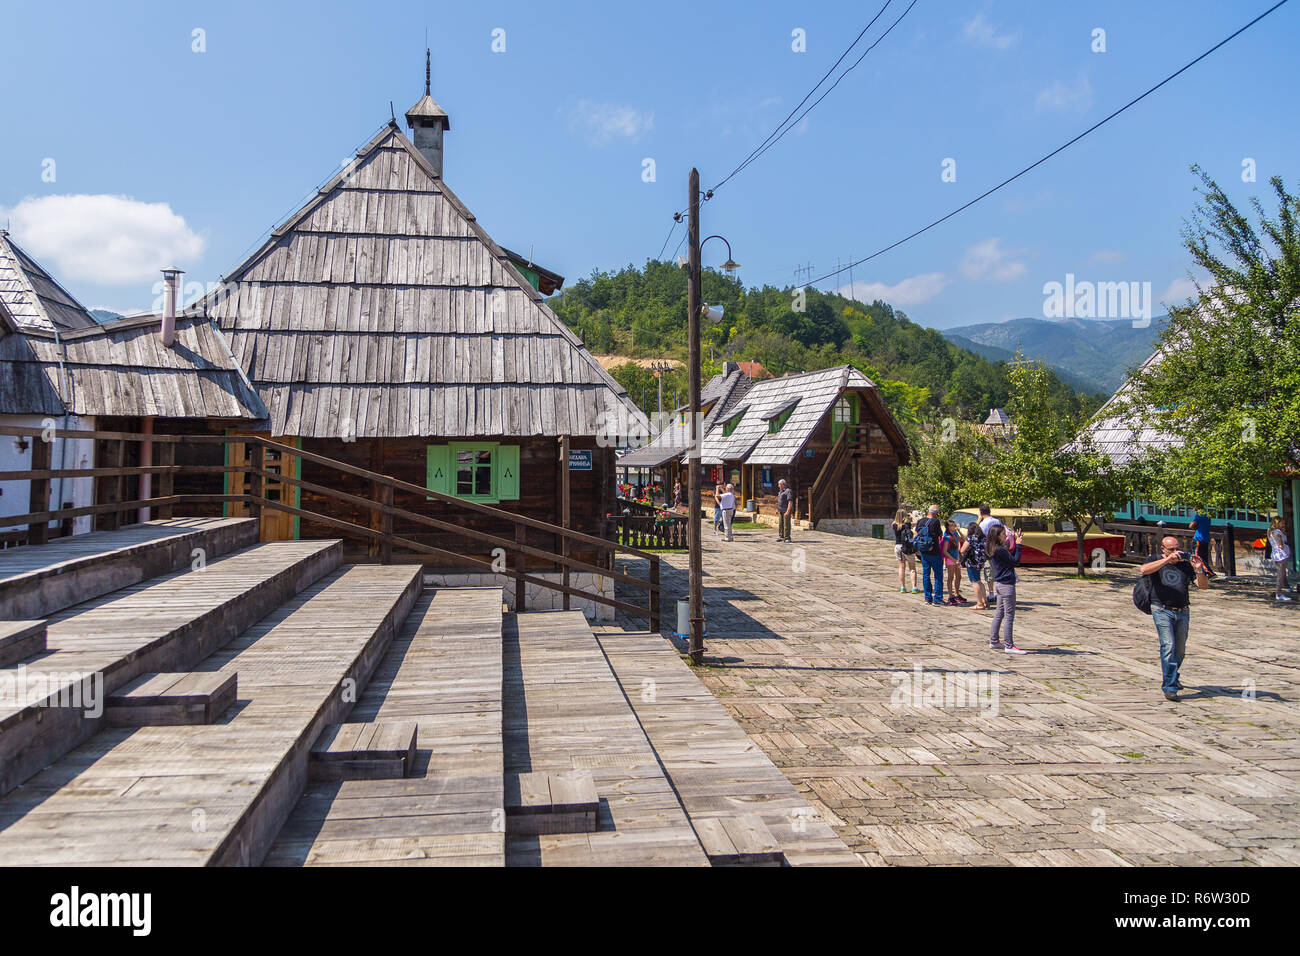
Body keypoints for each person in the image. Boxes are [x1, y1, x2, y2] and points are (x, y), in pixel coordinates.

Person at [1140, 536, 1210, 700]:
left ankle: (1173, 675)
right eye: (1171, 549)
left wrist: (1199, 569)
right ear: (1163, 549)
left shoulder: (1185, 565)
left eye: (1177, 548)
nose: (1175, 552)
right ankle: (1169, 687)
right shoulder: (1155, 560)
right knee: (1168, 645)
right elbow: (1144, 570)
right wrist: (1166, 561)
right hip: (1161, 609)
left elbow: (1204, 587)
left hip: (1183, 610)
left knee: (1180, 649)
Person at [987, 525, 1026, 653]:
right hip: (1007, 585)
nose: (1006, 536)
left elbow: (1010, 559)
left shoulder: (995, 548)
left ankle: (994, 641)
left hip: (1000, 583)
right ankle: (1009, 645)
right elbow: (1015, 561)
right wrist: (1019, 546)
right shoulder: (1000, 550)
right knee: (1009, 616)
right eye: (1004, 534)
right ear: (997, 536)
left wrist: (1016, 540)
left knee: (999, 613)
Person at [914, 505, 945, 606]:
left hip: (923, 551)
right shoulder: (935, 522)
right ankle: (937, 598)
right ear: (936, 513)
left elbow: (915, 534)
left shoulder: (921, 520)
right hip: (934, 551)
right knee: (938, 575)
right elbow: (939, 534)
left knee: (926, 574)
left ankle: (927, 598)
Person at [961, 521, 989, 609]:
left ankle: (979, 603)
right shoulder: (983, 537)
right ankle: (985, 601)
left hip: (972, 561)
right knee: (979, 581)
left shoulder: (970, 538)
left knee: (975, 582)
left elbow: (962, 550)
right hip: (981, 561)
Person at [892, 509, 919, 593]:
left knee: (901, 567)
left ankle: (902, 587)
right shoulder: (907, 525)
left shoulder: (895, 525)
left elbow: (893, 522)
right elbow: (917, 522)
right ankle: (914, 587)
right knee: (912, 568)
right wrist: (911, 515)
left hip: (898, 547)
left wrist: (898, 517)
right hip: (907, 547)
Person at [1267, 516, 1292, 602]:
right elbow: (1281, 544)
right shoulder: (1278, 532)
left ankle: (1288, 587)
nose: (1283, 524)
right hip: (1281, 555)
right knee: (1281, 574)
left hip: (1275, 554)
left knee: (1282, 572)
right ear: (1277, 523)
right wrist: (1282, 544)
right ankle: (1278, 593)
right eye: (1282, 523)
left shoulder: (1270, 531)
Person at [942, 519, 966, 605]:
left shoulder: (955, 536)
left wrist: (959, 530)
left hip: (956, 559)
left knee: (959, 576)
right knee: (950, 577)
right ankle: (950, 596)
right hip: (951, 559)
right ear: (948, 527)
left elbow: (963, 539)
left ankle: (956, 593)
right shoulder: (947, 537)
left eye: (954, 525)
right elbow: (945, 551)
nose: (954, 527)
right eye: (952, 526)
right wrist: (953, 560)